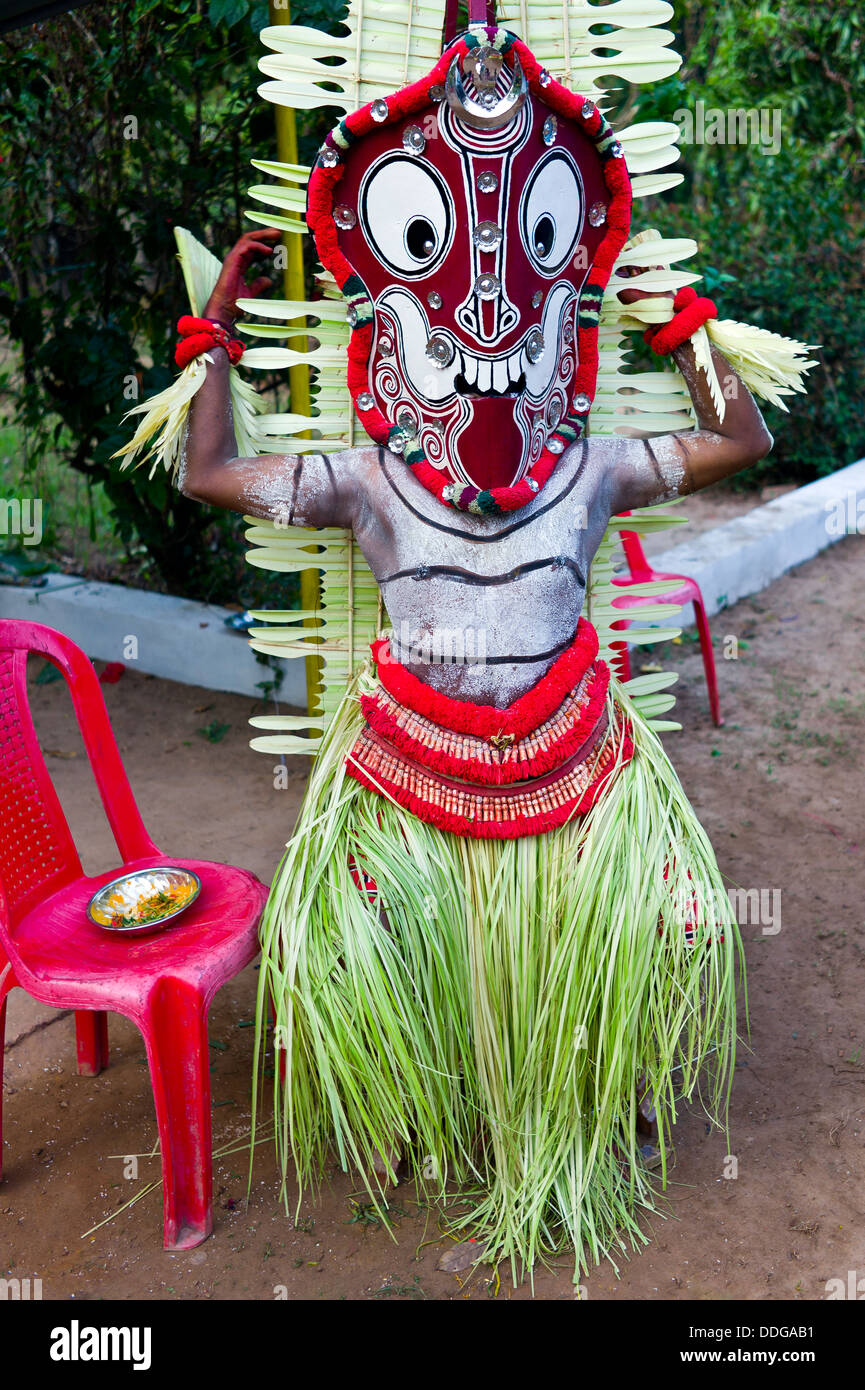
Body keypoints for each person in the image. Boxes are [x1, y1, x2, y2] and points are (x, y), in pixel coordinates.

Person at [174, 31, 774, 1279]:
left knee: (673, 924)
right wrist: (212, 339)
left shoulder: (595, 463)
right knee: (334, 944)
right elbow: (210, 474)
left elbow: (742, 436)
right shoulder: (369, 479)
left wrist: (682, 314)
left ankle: (605, 1084)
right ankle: (411, 1098)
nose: (492, 318)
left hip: (574, 756)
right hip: (409, 773)